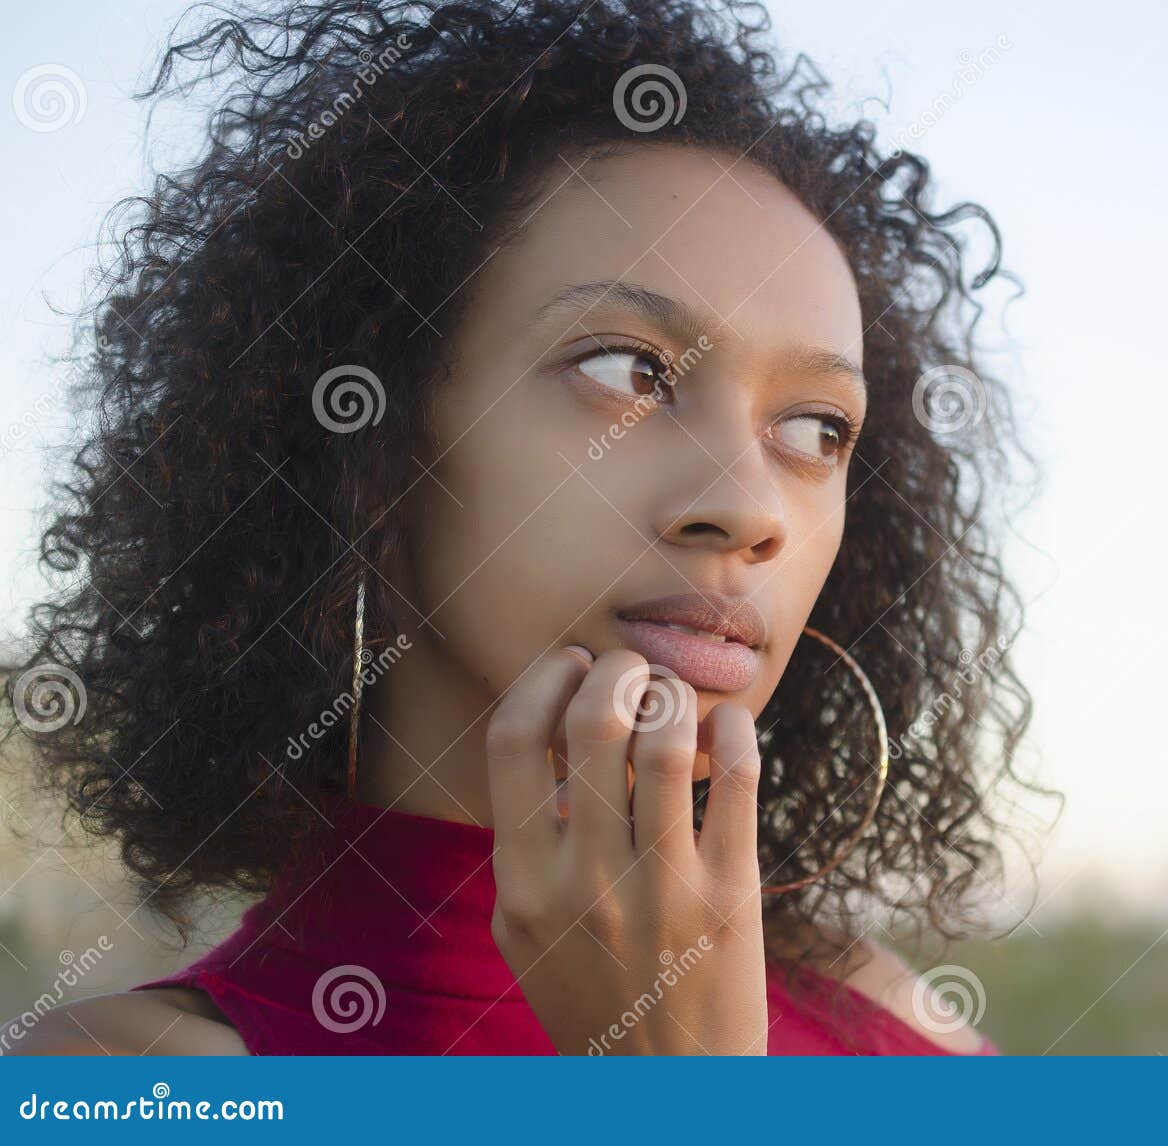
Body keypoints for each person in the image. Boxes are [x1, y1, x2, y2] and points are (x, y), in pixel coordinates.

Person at [2, 0, 1047, 1055]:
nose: (748, 506)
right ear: (370, 437)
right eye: (626, 371)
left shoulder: (890, 1013)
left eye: (816, 428)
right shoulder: (124, 1071)